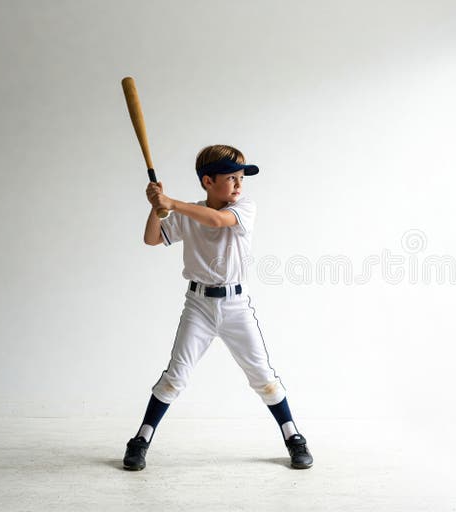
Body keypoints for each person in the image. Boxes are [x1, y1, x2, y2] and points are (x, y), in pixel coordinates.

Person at [122, 144, 313, 471]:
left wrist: (173, 203)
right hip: (198, 306)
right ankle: (141, 438)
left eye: (241, 178)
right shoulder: (187, 213)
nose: (239, 185)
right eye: (231, 178)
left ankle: (293, 435)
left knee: (263, 376)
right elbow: (152, 239)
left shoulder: (243, 208)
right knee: (174, 377)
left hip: (236, 306)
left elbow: (216, 220)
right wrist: (157, 206)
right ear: (208, 182)